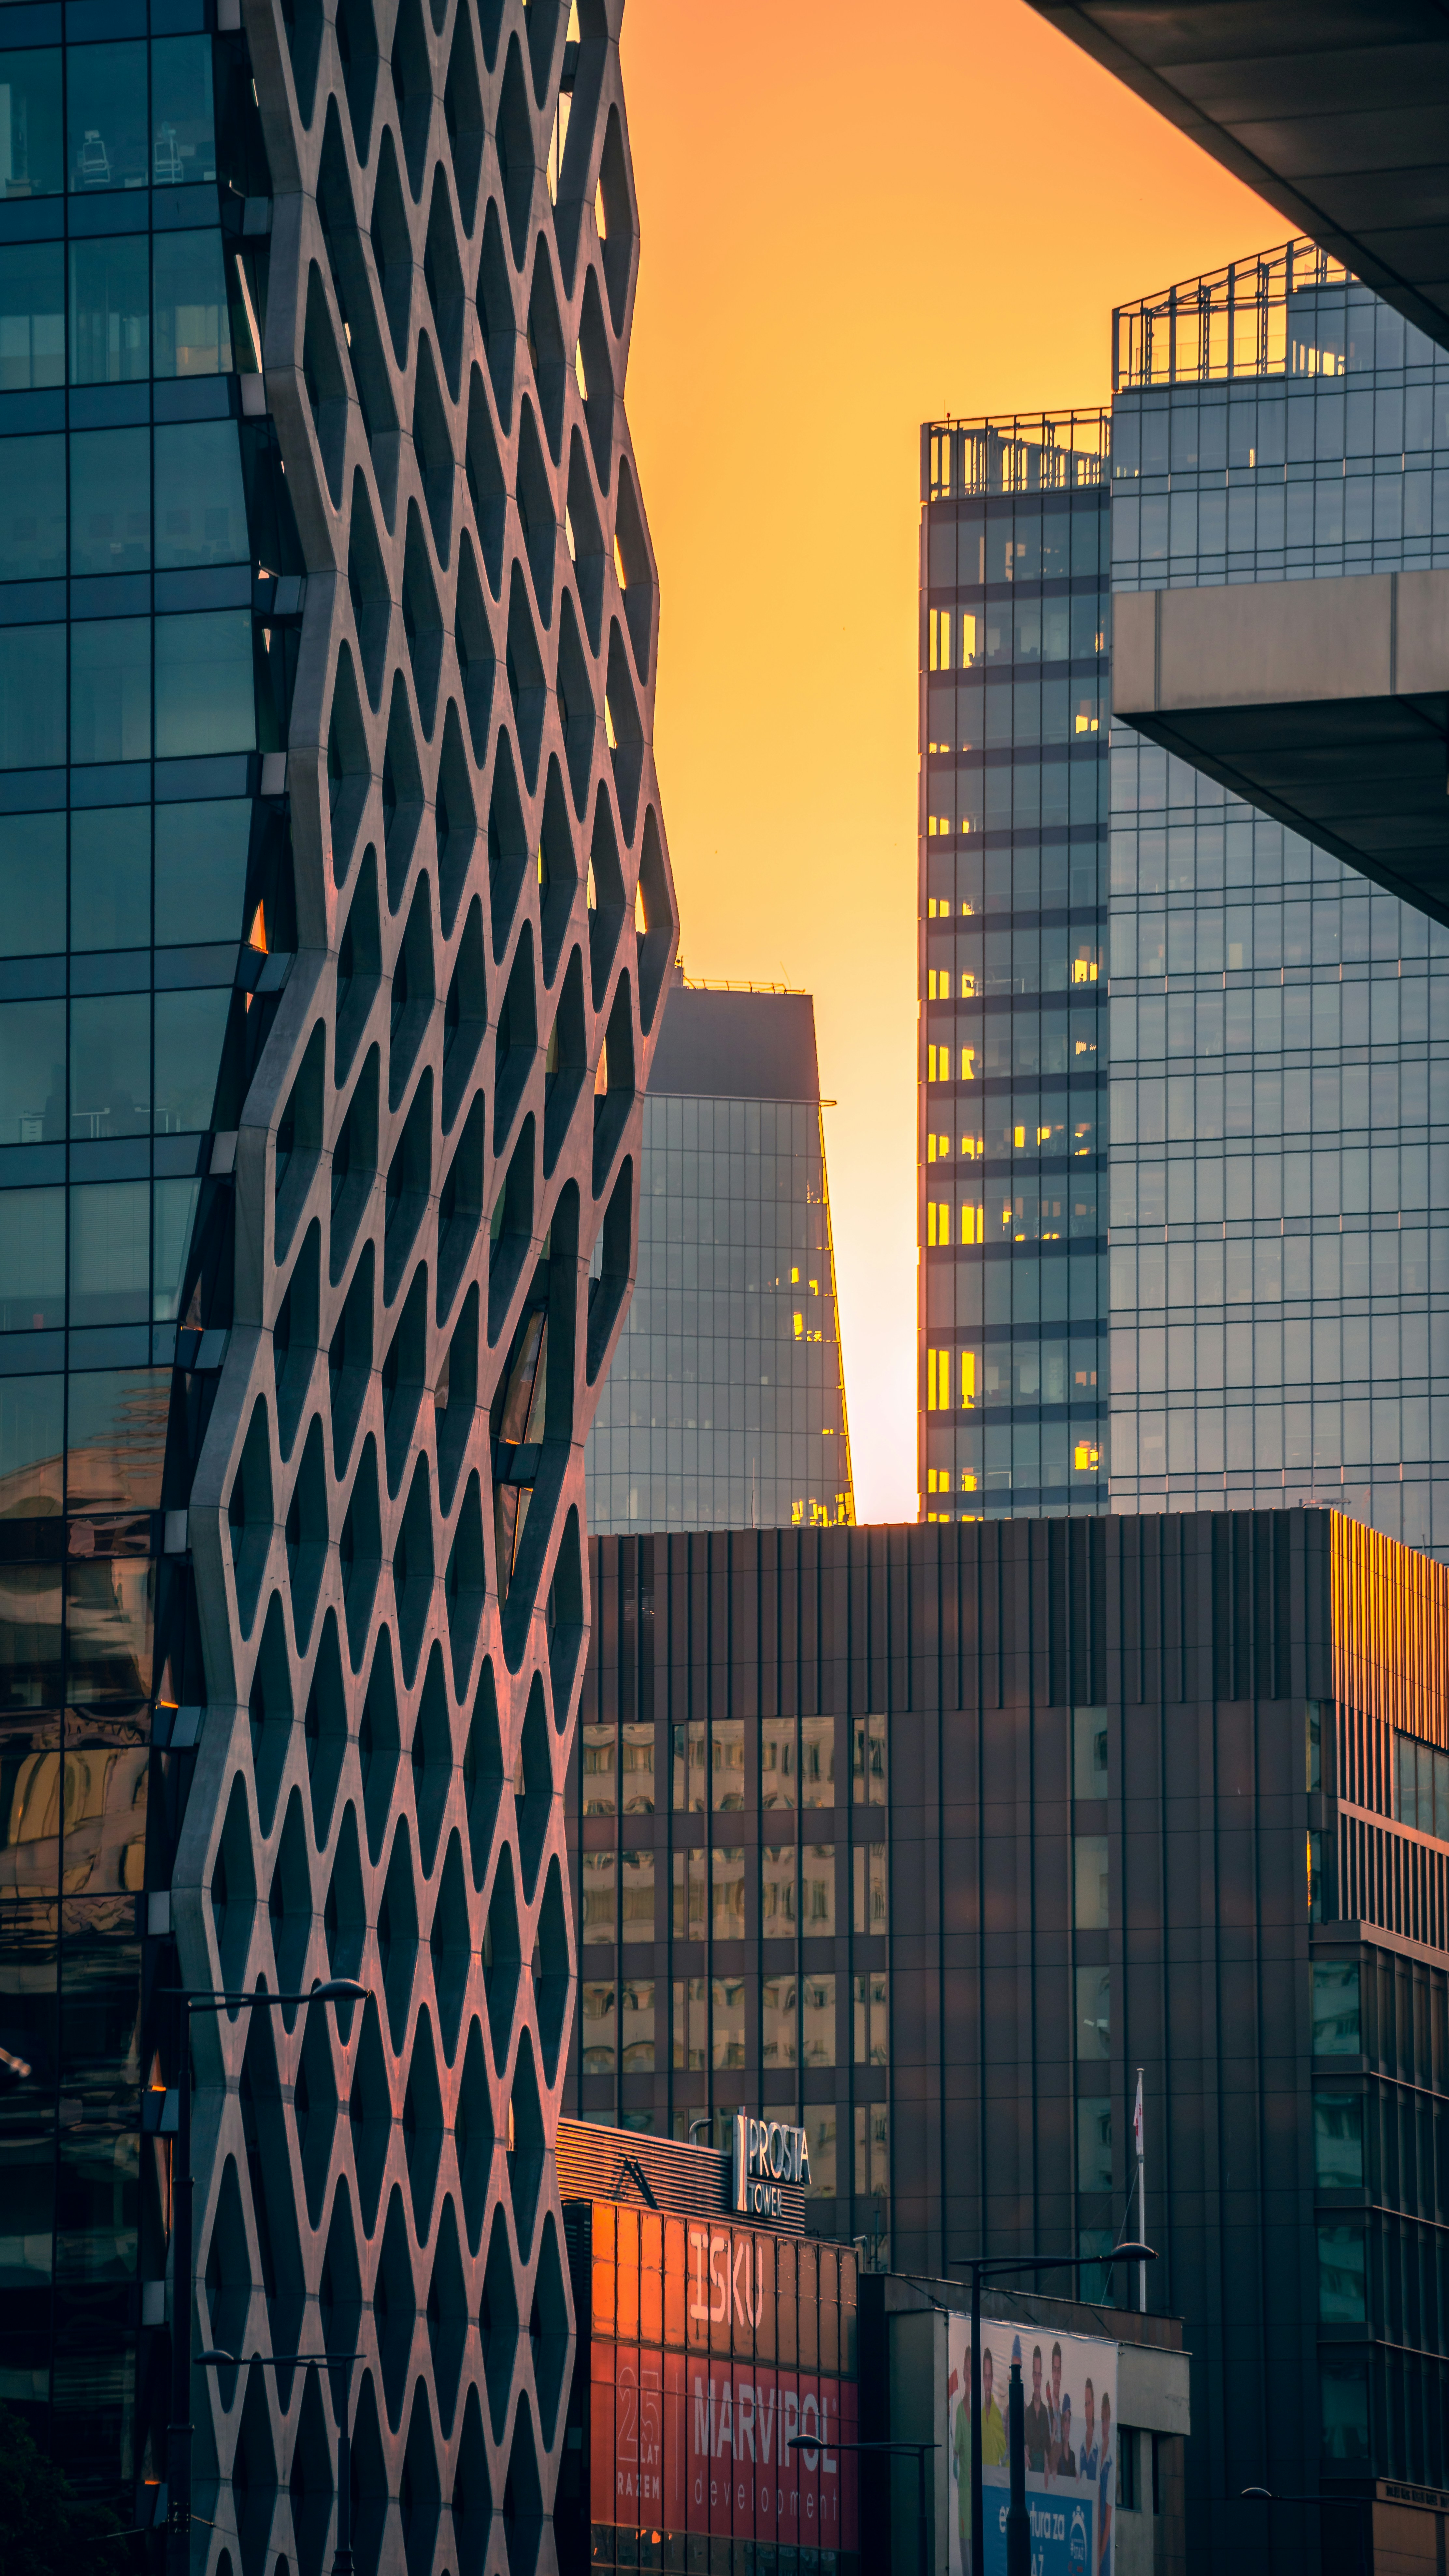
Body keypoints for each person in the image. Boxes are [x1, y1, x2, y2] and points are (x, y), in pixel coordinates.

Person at [1024, 2343, 1050, 2473]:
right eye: (1035, 2374)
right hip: (1031, 2470)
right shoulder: (1028, 2413)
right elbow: (1025, 2443)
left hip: (1043, 2470)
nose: (1038, 2379)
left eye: (1040, 2375)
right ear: (1032, 2376)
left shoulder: (1045, 2412)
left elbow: (1048, 2446)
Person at [981, 2345, 1008, 2468]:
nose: (987, 2383)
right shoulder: (978, 2416)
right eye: (985, 2377)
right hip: (978, 2481)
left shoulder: (997, 2414)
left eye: (990, 2377)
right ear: (982, 2378)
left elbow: (1004, 2455)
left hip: (993, 2480)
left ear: (993, 2379)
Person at [1097, 2391, 1114, 2574]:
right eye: (1102, 2419)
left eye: (1106, 2419)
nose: (1104, 2424)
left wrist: (1100, 2558)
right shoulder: (1097, 2453)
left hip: (1104, 2546)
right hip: (1095, 2535)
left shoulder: (1111, 2464)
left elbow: (1108, 2524)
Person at [1047, 2342, 1064, 2471]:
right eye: (1055, 2370)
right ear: (1051, 2372)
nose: (1057, 2376)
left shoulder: (1066, 2409)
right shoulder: (1047, 2407)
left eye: (1059, 2370)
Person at [1079, 2379, 1098, 2490]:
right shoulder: (1080, 2447)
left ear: (1094, 2404)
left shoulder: (1099, 2446)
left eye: (1089, 2403)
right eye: (1085, 2404)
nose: (1087, 2410)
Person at [1056, 2393, 1077, 2481]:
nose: (1067, 2427)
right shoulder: (1057, 2453)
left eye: (1069, 2421)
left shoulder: (1073, 2456)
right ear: (1061, 2423)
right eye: (1065, 2420)